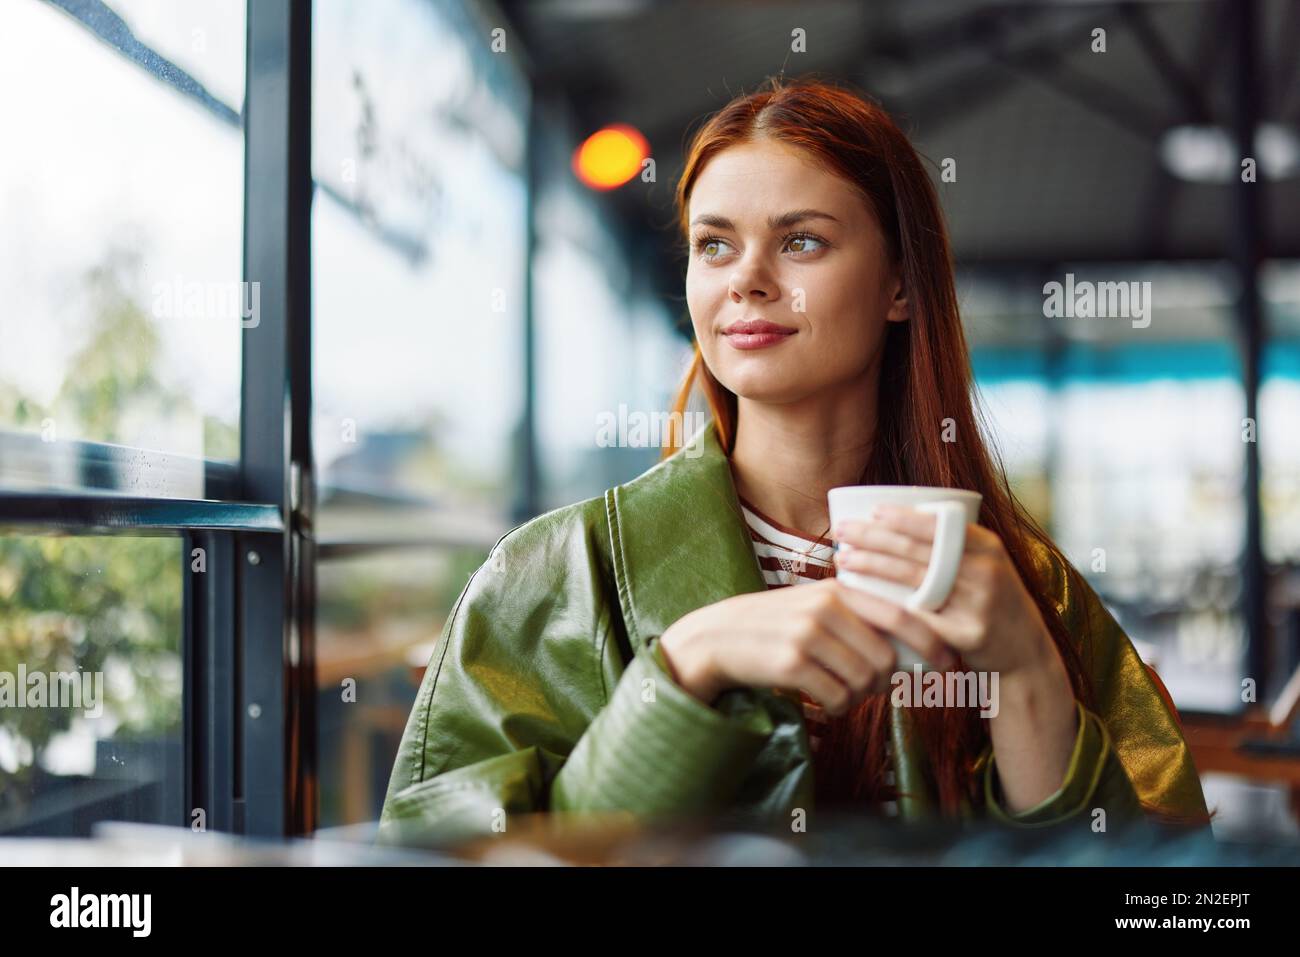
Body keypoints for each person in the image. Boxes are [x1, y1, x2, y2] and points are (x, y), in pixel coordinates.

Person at [377, 75, 1211, 847]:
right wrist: (688, 665)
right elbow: (451, 857)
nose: (746, 280)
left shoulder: (1027, 588)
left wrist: (1026, 670)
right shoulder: (547, 574)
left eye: (802, 241)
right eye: (714, 245)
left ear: (900, 285)